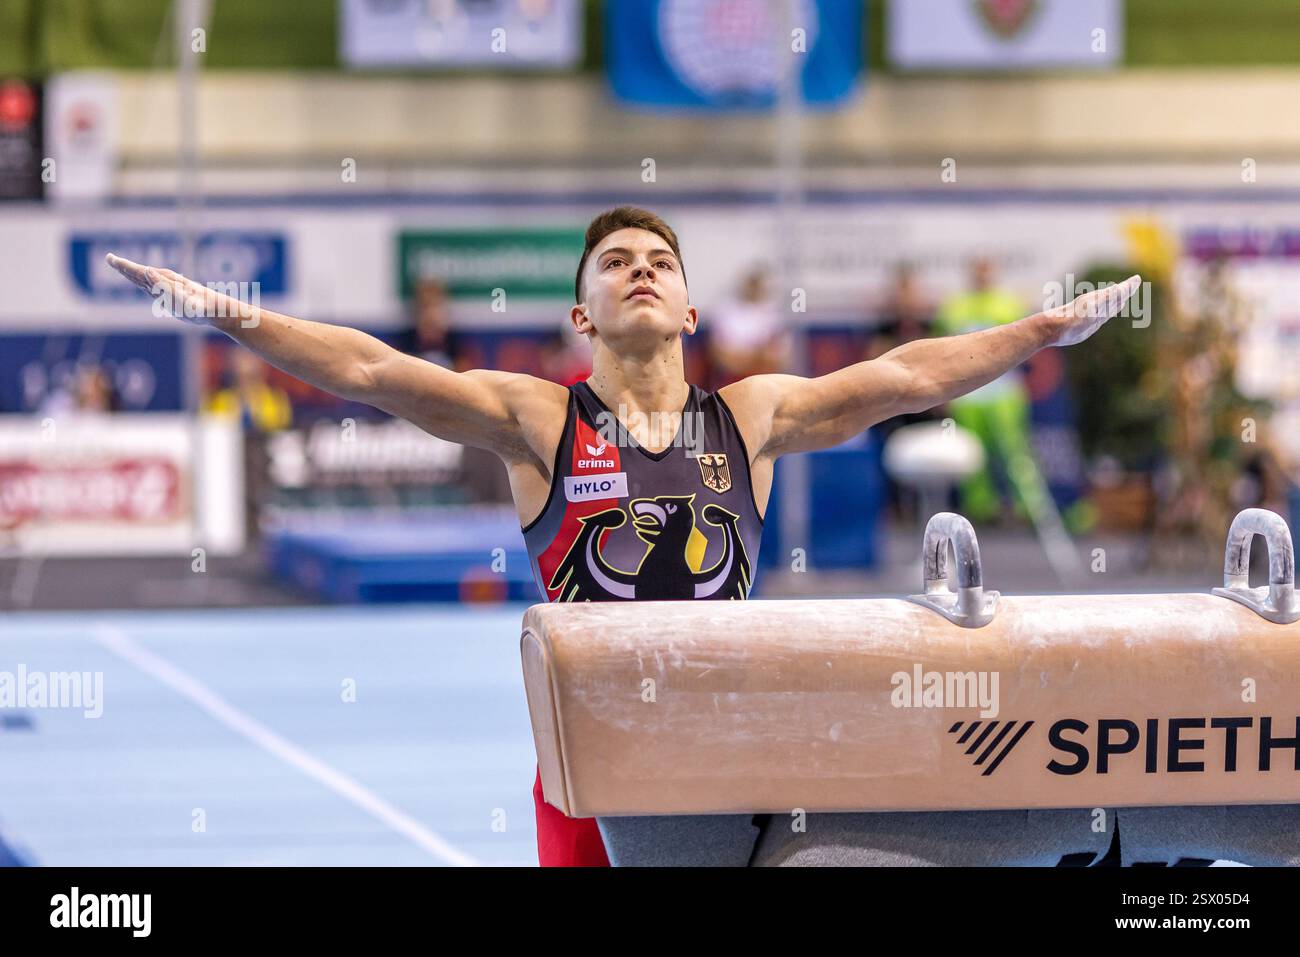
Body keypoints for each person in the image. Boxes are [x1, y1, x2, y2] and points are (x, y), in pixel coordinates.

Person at [107, 206, 1140, 867]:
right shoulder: (537, 421)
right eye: (615, 264)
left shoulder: (754, 416)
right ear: (581, 313)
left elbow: (908, 378)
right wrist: (230, 316)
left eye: (659, 262)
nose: (639, 272)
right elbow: (373, 372)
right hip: (594, 778)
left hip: (737, 767)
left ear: (692, 311)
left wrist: (1041, 331)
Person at [705, 265, 792, 390]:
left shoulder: (774, 315)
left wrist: (745, 357)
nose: (754, 288)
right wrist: (756, 358)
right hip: (731, 382)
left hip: (767, 383)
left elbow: (781, 359)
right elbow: (719, 356)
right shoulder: (726, 311)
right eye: (752, 284)